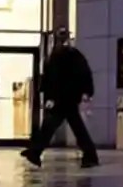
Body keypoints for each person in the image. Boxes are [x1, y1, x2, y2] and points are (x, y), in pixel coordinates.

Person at [22, 28, 99, 168]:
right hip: (63, 98)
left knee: (52, 126)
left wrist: (86, 91)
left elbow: (81, 74)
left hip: (66, 97)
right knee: (63, 126)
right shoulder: (60, 55)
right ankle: (90, 155)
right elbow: (50, 77)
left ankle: (36, 152)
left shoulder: (68, 55)